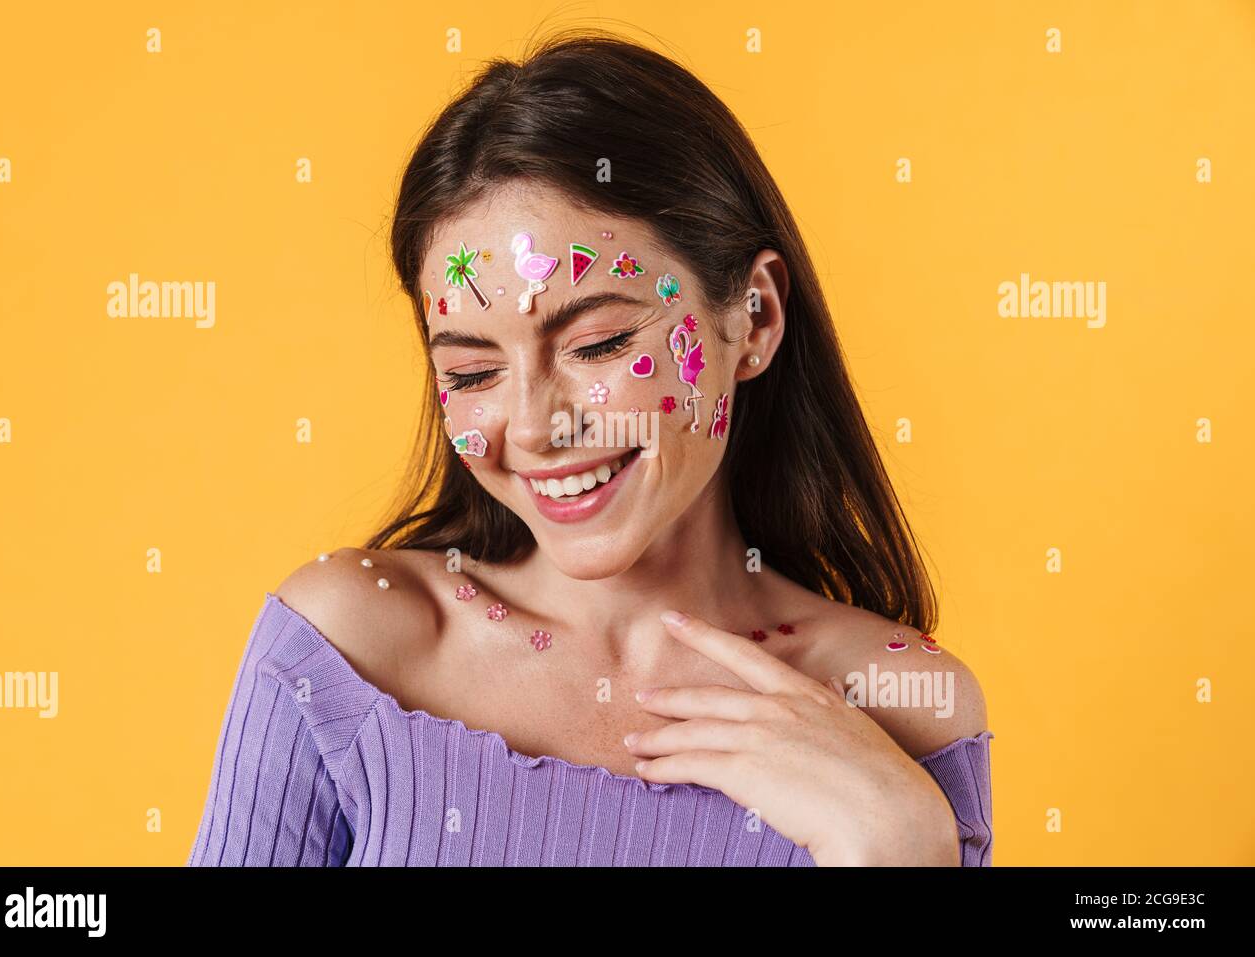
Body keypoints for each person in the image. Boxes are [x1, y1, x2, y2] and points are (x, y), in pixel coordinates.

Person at [188, 31, 993, 867]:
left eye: (599, 345)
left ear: (752, 318)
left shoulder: (902, 703)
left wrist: (900, 845)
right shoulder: (348, 647)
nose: (535, 428)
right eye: (472, 369)